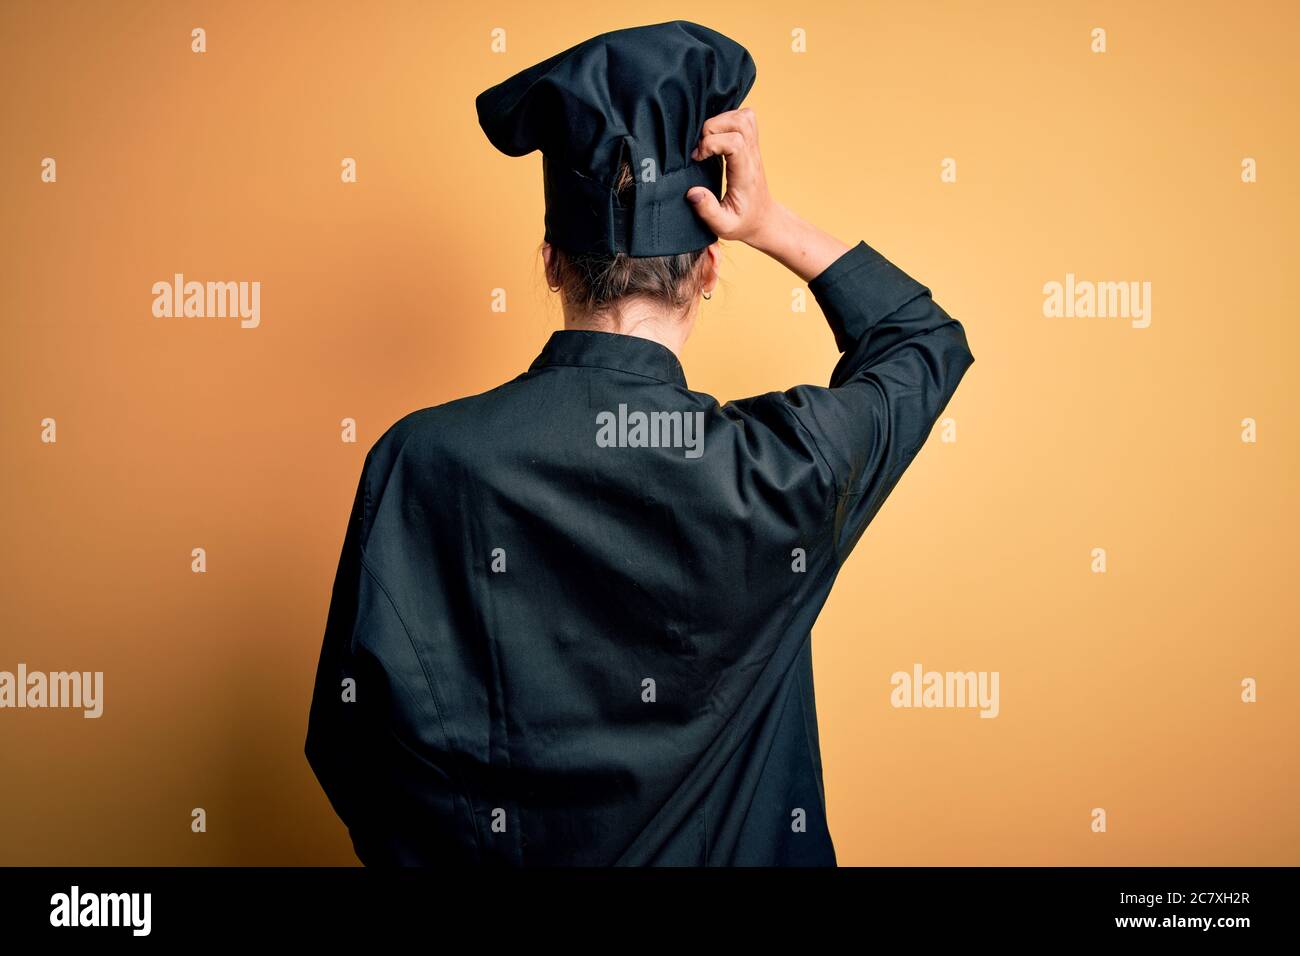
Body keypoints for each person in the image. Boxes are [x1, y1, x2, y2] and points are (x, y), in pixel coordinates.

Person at [305, 20, 974, 866]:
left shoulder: (418, 463)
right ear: (706, 269)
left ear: (551, 261)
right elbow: (922, 343)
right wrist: (769, 222)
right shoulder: (784, 470)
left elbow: (351, 748)